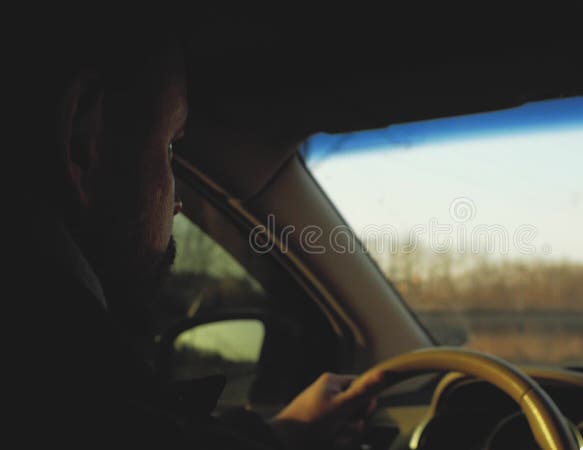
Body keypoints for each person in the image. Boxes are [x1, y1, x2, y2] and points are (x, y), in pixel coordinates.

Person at [16, 10, 384, 450]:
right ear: (84, 141)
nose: (178, 203)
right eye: (170, 147)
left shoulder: (55, 382)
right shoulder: (66, 391)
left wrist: (282, 434)